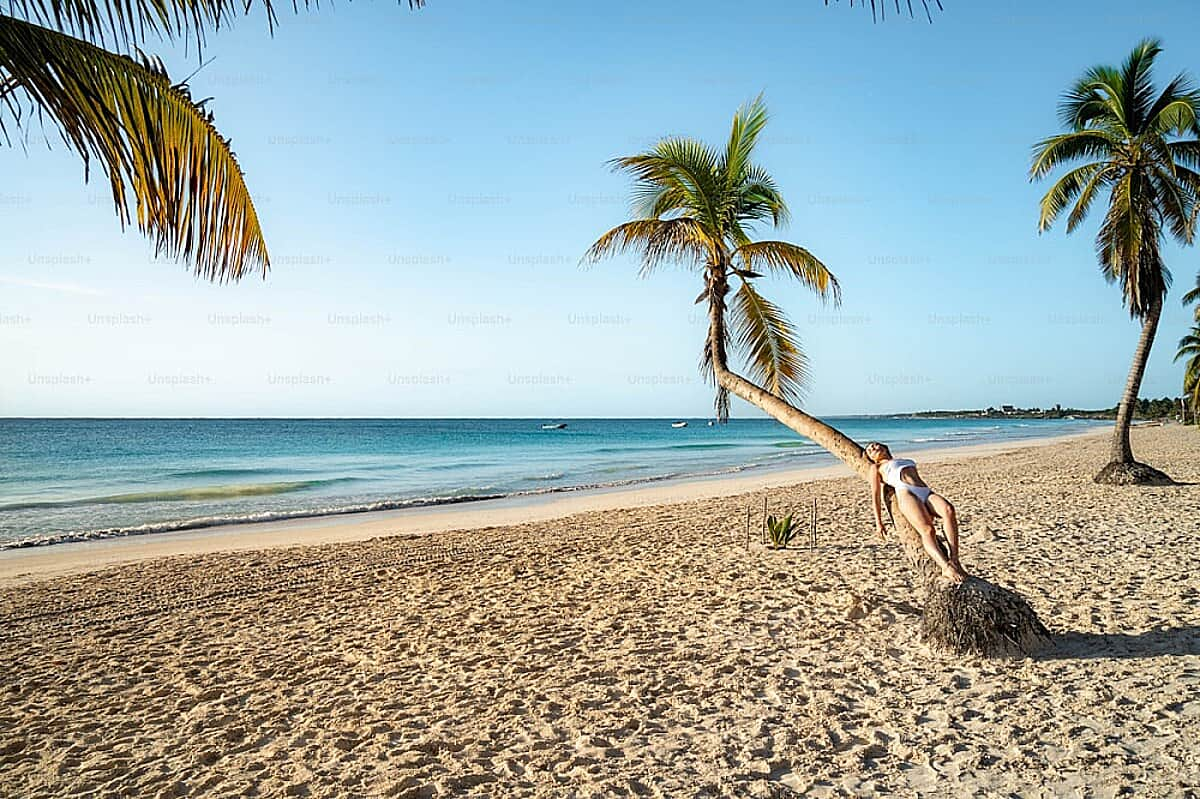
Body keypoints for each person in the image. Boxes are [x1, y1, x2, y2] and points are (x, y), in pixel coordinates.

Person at [864, 441, 967, 584]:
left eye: (875, 445)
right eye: (870, 450)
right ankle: (945, 567)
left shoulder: (901, 460)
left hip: (925, 491)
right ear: (871, 458)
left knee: (948, 510)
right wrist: (878, 522)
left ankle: (955, 559)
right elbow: (875, 495)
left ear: (885, 447)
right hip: (906, 492)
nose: (873, 448)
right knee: (927, 530)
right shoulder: (876, 468)